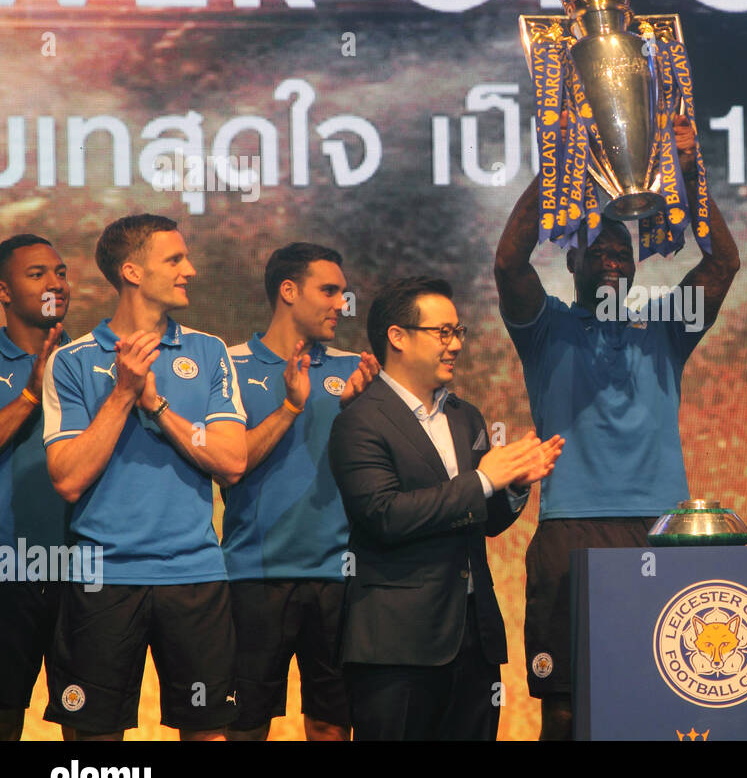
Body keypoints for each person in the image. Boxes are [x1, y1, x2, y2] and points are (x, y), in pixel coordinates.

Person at [495, 118, 740, 740]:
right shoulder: (545, 327)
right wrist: (555, 166)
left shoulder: (664, 326)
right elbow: (508, 262)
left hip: (660, 527)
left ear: (634, 268)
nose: (610, 262)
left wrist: (688, 167)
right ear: (573, 261)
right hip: (569, 528)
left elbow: (723, 261)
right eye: (598, 253)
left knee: (659, 697)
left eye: (620, 255)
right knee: (566, 708)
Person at [328, 277, 561, 740]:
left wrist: (512, 486)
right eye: (442, 333)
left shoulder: (465, 416)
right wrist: (483, 480)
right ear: (398, 336)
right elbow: (384, 516)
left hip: (474, 639)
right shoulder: (359, 421)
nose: (455, 345)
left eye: (459, 332)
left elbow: (483, 519)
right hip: (397, 646)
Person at [42, 214, 247, 740]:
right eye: (175, 259)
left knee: (209, 732)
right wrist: (122, 395)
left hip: (195, 577)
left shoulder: (209, 352)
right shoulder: (72, 361)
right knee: (93, 740)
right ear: (132, 271)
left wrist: (156, 405)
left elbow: (231, 460)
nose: (191, 270)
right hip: (103, 581)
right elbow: (67, 479)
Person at [222, 243, 379, 741]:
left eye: (343, 292)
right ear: (288, 291)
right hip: (252, 576)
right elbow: (229, 464)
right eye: (329, 290)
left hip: (340, 578)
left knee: (333, 727)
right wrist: (289, 408)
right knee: (244, 728)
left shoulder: (358, 370)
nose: (341, 303)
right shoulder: (226, 366)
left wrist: (357, 411)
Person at [0, 235, 69, 741]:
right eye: (38, 273)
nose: (55, 283)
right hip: (7, 570)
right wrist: (30, 390)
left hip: (84, 570)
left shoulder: (89, 362)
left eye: (61, 272)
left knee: (89, 722)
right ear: (3, 291)